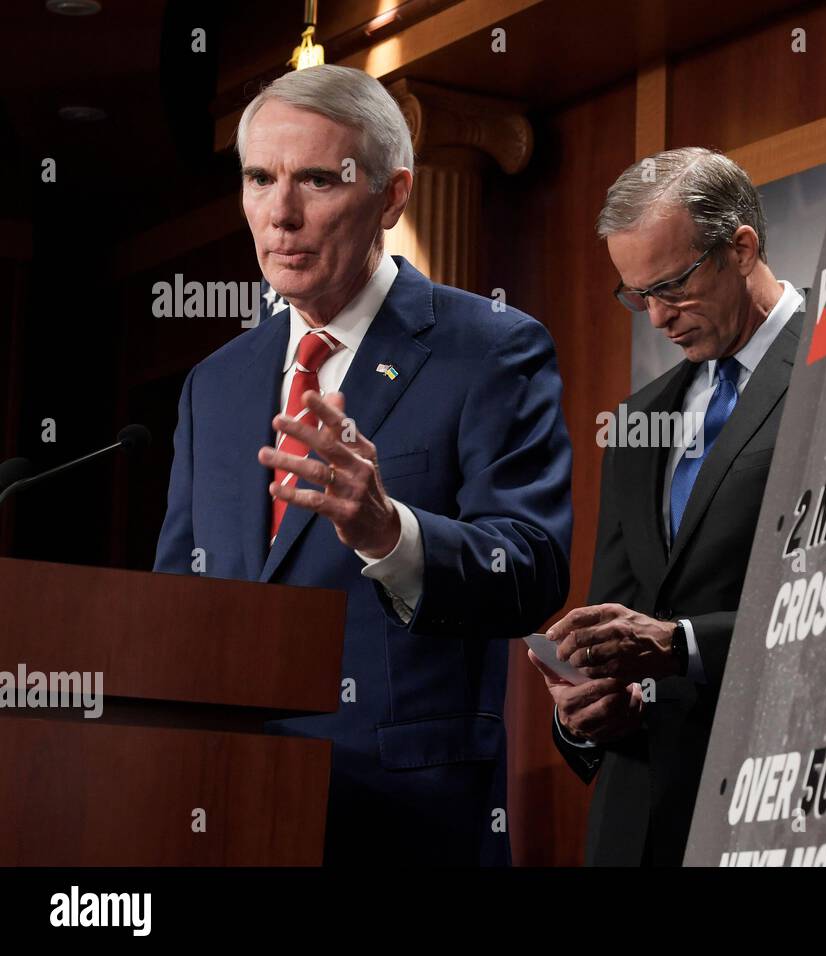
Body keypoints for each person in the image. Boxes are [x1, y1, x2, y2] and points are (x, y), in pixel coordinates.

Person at [153, 64, 572, 866]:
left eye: (317, 179)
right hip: (229, 808)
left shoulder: (490, 347)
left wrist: (390, 532)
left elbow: (534, 568)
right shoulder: (217, 383)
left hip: (404, 821)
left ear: (393, 194)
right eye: (259, 178)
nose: (281, 213)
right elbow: (181, 603)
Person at [530, 147, 803, 865]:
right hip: (638, 822)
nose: (655, 317)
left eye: (673, 286)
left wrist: (682, 646)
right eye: (635, 294)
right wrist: (588, 712)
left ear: (740, 247)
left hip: (783, 797)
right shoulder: (637, 421)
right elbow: (619, 616)